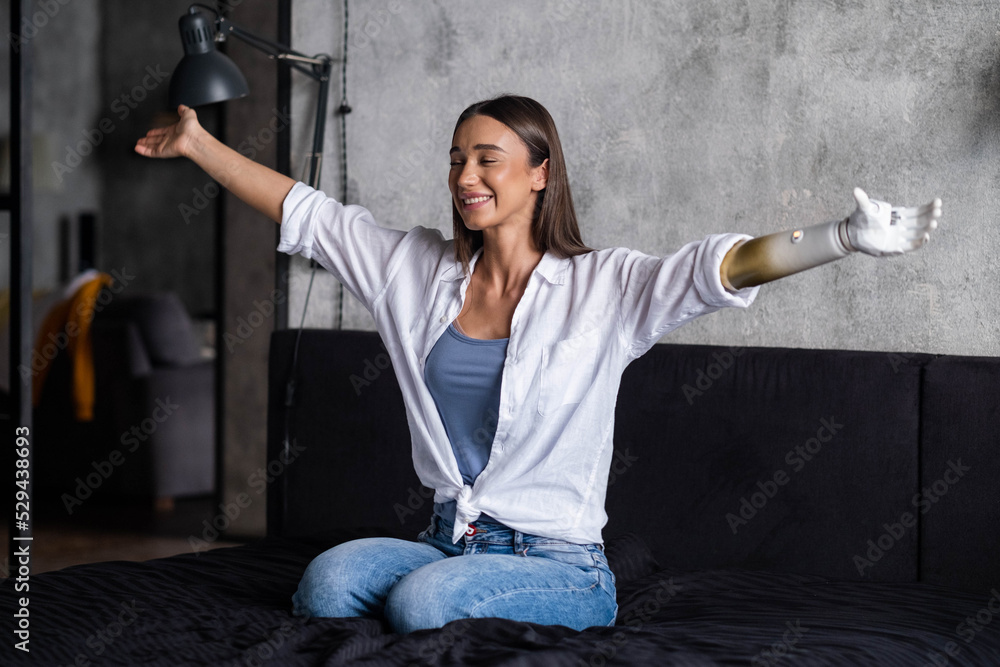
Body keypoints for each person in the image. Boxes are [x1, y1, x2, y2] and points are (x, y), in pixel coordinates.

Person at [135, 95, 940, 634]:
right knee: (326, 583)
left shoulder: (605, 287)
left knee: (420, 606)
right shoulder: (411, 270)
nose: (464, 178)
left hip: (559, 560)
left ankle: (579, 597)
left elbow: (715, 268)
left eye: (487, 159)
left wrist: (839, 236)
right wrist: (200, 143)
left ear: (539, 170)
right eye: (456, 159)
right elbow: (307, 214)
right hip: (449, 537)